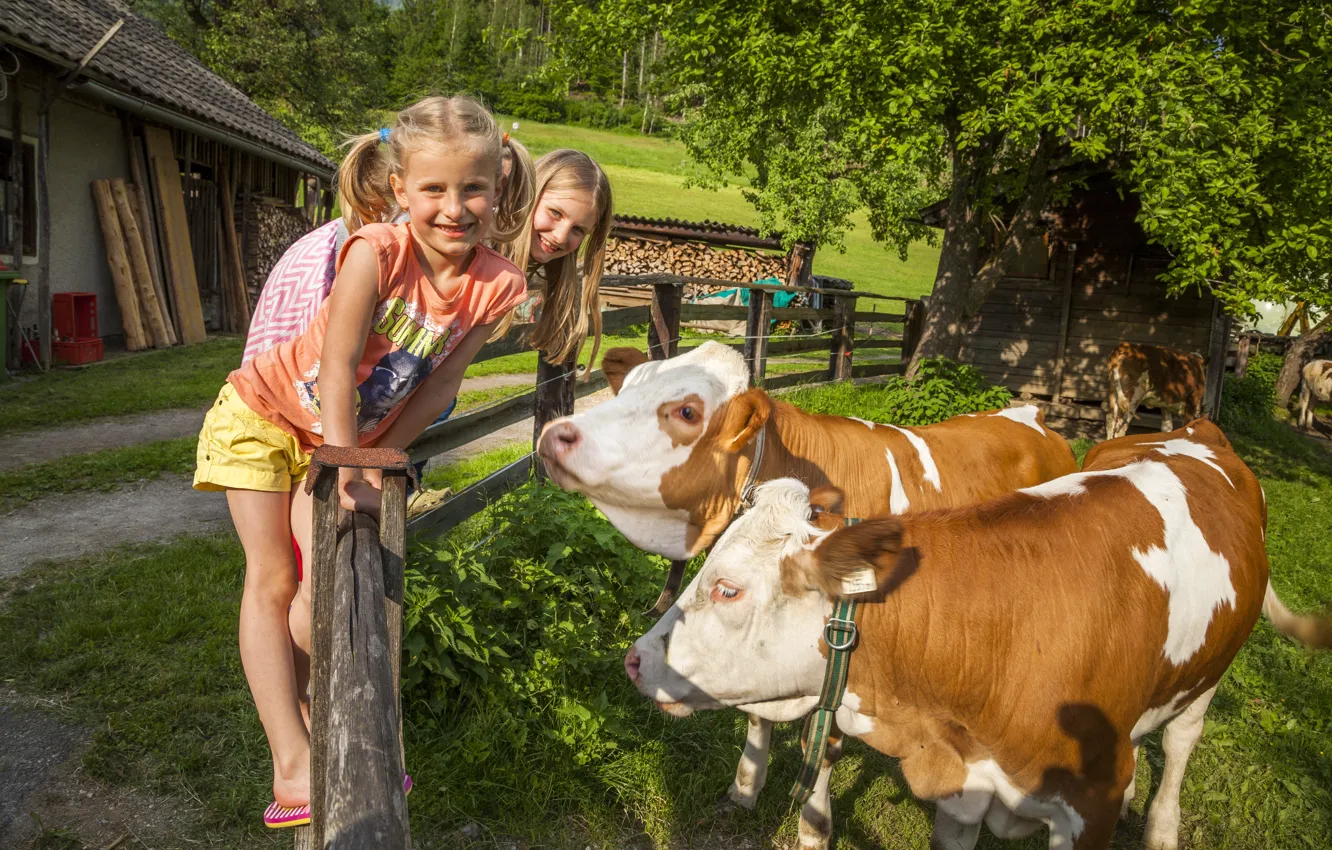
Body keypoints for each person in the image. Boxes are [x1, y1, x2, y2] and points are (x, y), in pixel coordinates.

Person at [193, 94, 534, 829]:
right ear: (401, 190)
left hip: (336, 436)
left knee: (327, 588)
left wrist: (383, 459)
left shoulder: (500, 284)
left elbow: (441, 381)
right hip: (261, 414)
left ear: (498, 190)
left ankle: (344, 727)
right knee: (273, 577)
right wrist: (350, 467)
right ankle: (291, 761)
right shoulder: (375, 251)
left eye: (473, 188)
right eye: (435, 190)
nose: (455, 207)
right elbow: (341, 361)